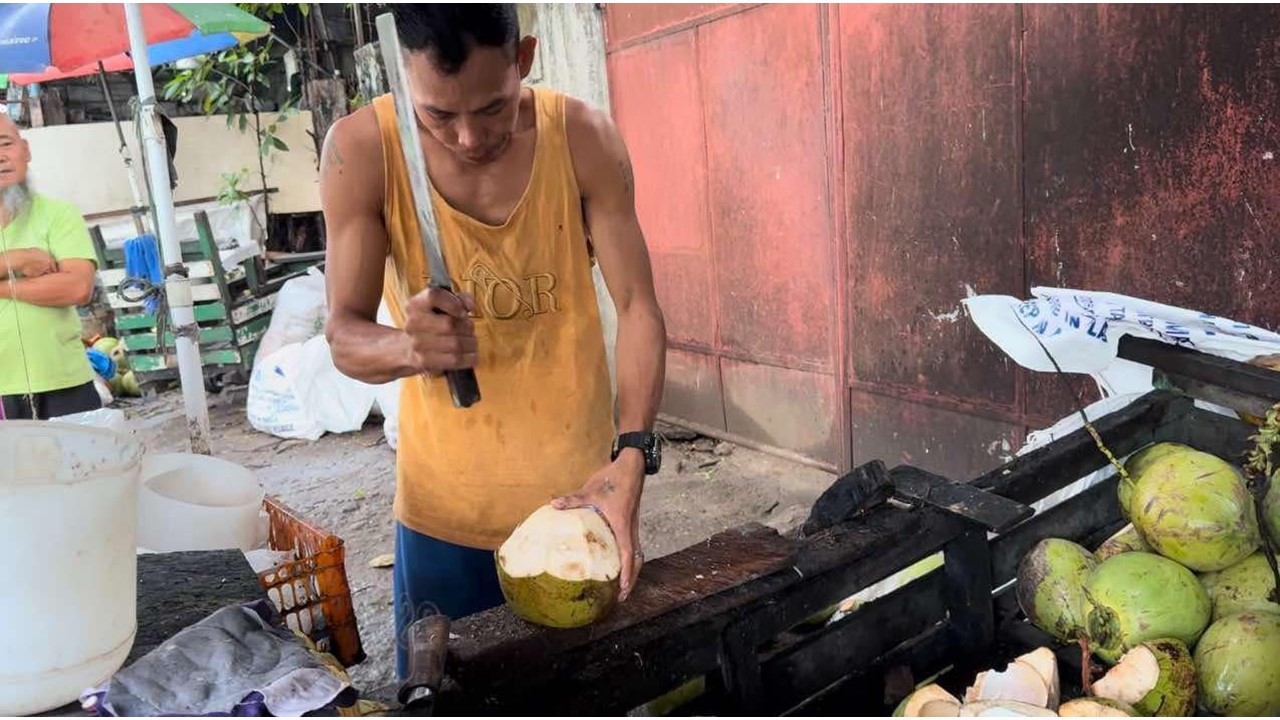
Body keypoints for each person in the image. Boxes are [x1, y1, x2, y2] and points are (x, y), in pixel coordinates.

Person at [320, 4, 668, 676]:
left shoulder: (584, 138)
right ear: (402, 75)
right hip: (443, 520)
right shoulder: (361, 151)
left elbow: (639, 307)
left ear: (524, 60)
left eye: (492, 108)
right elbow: (343, 337)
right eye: (437, 116)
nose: (469, 136)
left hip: (580, 508)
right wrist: (407, 348)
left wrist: (632, 455)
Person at [0, 113, 101, 421]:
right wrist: (18, 260)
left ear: (26, 150)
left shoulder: (58, 214)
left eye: (5, 143)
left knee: (84, 468)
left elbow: (77, 287)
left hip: (64, 381)